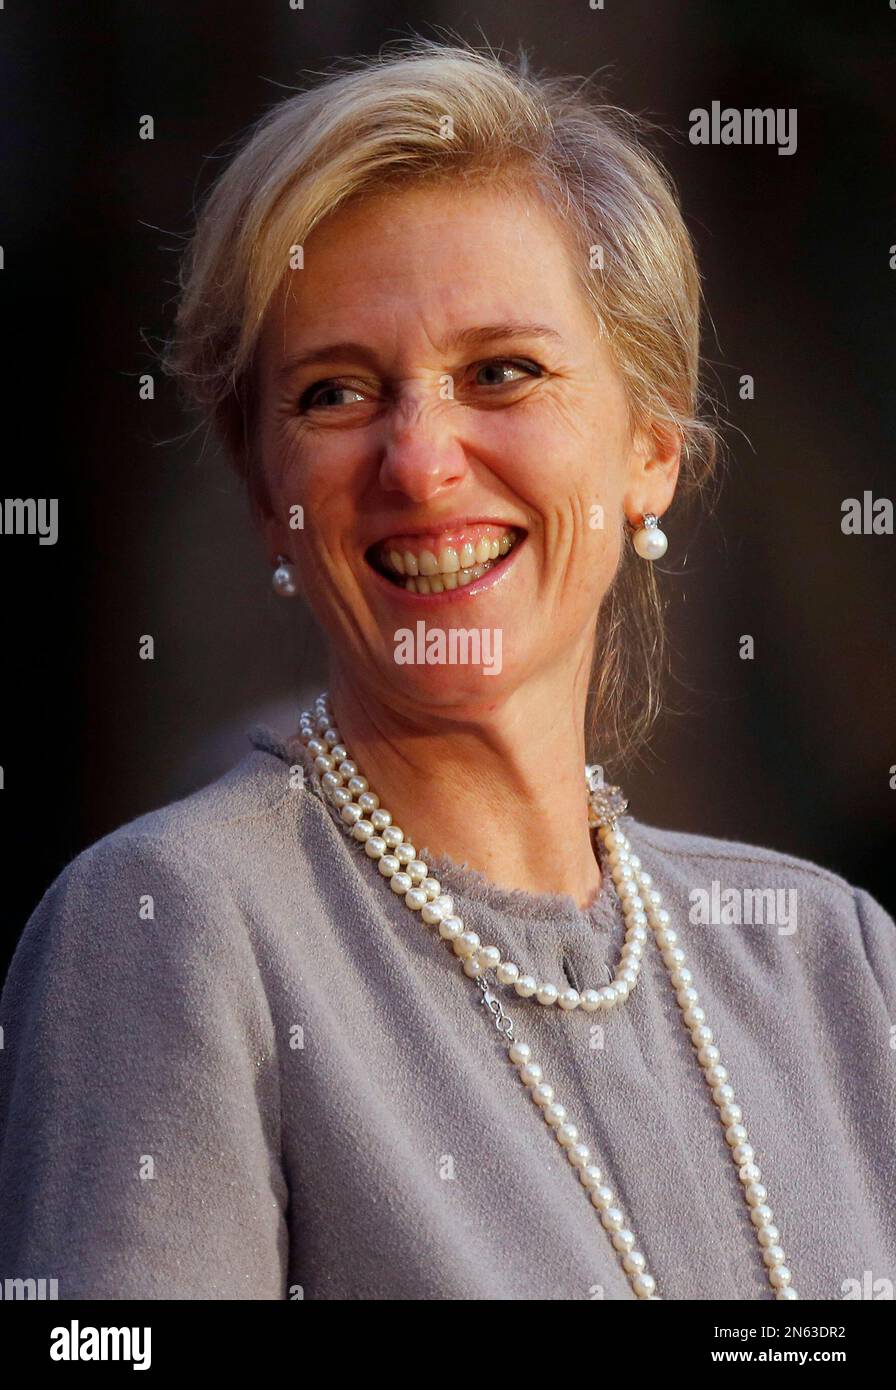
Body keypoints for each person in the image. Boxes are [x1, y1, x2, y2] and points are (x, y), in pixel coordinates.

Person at [0, 40, 893, 1301]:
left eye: (502, 372)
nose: (418, 462)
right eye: (334, 392)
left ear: (651, 441)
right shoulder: (171, 929)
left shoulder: (832, 962)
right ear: (266, 491)